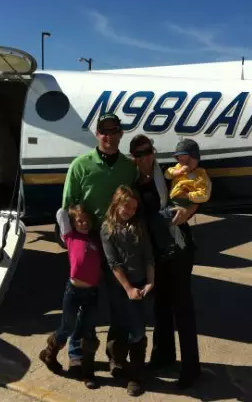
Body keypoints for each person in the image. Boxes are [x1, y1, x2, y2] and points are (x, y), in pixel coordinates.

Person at [62, 113, 138, 379]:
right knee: (85, 306)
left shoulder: (129, 168)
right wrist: (72, 244)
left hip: (118, 242)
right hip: (90, 241)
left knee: (118, 303)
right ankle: (79, 357)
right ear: (97, 134)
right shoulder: (81, 165)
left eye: (114, 131)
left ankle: (117, 358)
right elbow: (67, 207)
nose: (108, 136)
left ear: (120, 134)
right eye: (103, 131)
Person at [129, 134, 202, 390]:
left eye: (148, 151)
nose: (145, 157)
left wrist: (190, 210)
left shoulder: (169, 174)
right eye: (139, 154)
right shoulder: (132, 182)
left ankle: (192, 367)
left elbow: (198, 188)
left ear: (153, 151)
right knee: (161, 306)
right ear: (133, 159)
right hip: (153, 252)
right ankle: (164, 355)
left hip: (178, 247)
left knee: (182, 307)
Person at [39, 204, 103, 389]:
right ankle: (49, 353)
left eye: (87, 221)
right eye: (79, 221)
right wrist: (72, 206)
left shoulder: (95, 240)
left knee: (89, 330)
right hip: (73, 291)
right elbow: (60, 213)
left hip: (92, 292)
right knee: (68, 326)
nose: (84, 224)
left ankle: (87, 372)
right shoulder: (69, 237)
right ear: (73, 223)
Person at [101, 185, 155, 397]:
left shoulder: (139, 226)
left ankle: (136, 374)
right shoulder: (107, 229)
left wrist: (150, 281)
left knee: (138, 329)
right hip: (120, 286)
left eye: (134, 208)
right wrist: (128, 288)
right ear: (117, 204)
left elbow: (148, 255)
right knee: (119, 323)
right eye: (127, 206)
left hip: (140, 284)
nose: (130, 211)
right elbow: (113, 263)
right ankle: (118, 361)